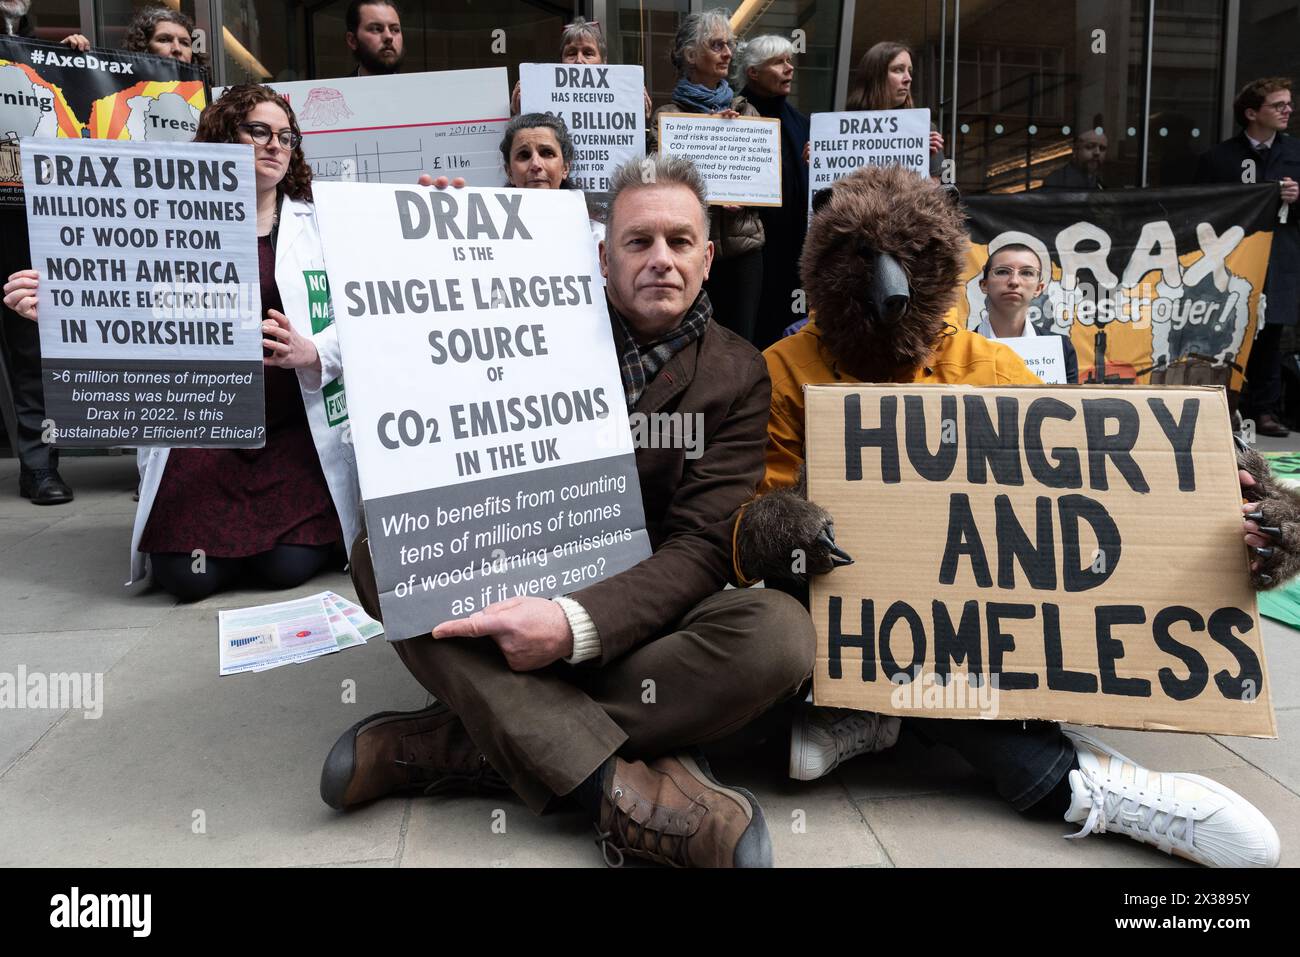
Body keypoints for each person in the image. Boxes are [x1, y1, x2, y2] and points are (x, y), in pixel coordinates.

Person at [732, 164, 1286, 868]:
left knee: (962, 652)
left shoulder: (988, 365)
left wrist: (1242, 507)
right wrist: (800, 517)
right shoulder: (782, 368)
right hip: (841, 609)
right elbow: (754, 522)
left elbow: (1101, 486)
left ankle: (883, 714)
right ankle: (1085, 787)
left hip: (963, 625)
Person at [318, 155, 816, 869]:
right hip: (500, 578)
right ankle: (610, 785)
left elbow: (704, 547)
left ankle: (469, 740)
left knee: (781, 635)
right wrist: (432, 240)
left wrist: (572, 627)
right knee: (384, 552)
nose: (661, 261)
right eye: (638, 243)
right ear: (603, 256)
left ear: (708, 259)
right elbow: (425, 326)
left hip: (642, 620)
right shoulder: (523, 306)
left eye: (679, 242)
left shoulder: (740, 372)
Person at [7, 85, 361, 599]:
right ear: (222, 137)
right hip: (203, 424)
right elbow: (119, 309)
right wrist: (58, 307)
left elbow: (363, 316)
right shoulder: (160, 218)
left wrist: (313, 353)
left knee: (285, 566)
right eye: (257, 131)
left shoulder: (324, 221)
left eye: (286, 136)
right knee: (188, 577)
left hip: (288, 429)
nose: (275, 145)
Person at [0, 2, 91, 504]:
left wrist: (64, 66)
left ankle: (38, 467)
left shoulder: (36, 50)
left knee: (28, 333)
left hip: (19, 212)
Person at [1195, 77, 1299, 438]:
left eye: (1289, 104)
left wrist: (1296, 199)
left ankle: (1264, 410)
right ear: (1253, 113)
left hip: (1279, 258)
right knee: (1225, 330)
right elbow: (1200, 211)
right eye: (1278, 105)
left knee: (1270, 334)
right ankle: (1222, 405)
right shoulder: (1218, 158)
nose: (1288, 110)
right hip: (1231, 260)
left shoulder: (1296, 154)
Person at [654, 9, 765, 343]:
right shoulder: (666, 118)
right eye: (717, 45)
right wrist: (703, 134)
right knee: (691, 344)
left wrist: (745, 195)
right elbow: (656, 184)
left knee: (741, 345)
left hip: (743, 250)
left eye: (729, 45)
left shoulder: (747, 112)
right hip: (689, 251)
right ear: (691, 55)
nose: (728, 53)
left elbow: (769, 183)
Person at [738, 35, 809, 350]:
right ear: (753, 72)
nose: (789, 69)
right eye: (779, 62)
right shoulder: (732, 115)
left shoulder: (801, 123)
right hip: (751, 253)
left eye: (790, 61)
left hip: (794, 252)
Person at [509, 17, 654, 148]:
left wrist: (638, 121)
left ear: (604, 62)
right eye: (571, 53)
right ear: (561, 62)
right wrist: (520, 118)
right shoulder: (542, 99)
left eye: (588, 53)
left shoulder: (622, 100)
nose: (579, 60)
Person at [975, 243, 1079, 383]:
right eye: (1002, 272)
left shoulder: (1061, 348)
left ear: (1038, 288)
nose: (1014, 281)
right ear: (984, 285)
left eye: (1026, 273)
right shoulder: (958, 349)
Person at [844, 41, 944, 178]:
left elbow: (937, 194)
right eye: (898, 70)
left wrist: (927, 158)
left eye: (910, 71)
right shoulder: (840, 131)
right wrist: (817, 159)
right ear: (875, 76)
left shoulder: (924, 131)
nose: (908, 79)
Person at [122, 5, 204, 67]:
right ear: (143, 47)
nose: (177, 49)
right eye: (164, 40)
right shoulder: (124, 89)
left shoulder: (205, 89)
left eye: (184, 43)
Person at [344, 0, 402, 77]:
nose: (389, 36)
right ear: (352, 41)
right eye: (376, 29)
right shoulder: (342, 88)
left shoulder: (418, 87)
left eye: (395, 30)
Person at [1042, 126, 1107, 190]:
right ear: (1075, 150)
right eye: (1090, 147)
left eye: (1102, 148)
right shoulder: (1055, 180)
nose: (1097, 152)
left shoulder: (1100, 181)